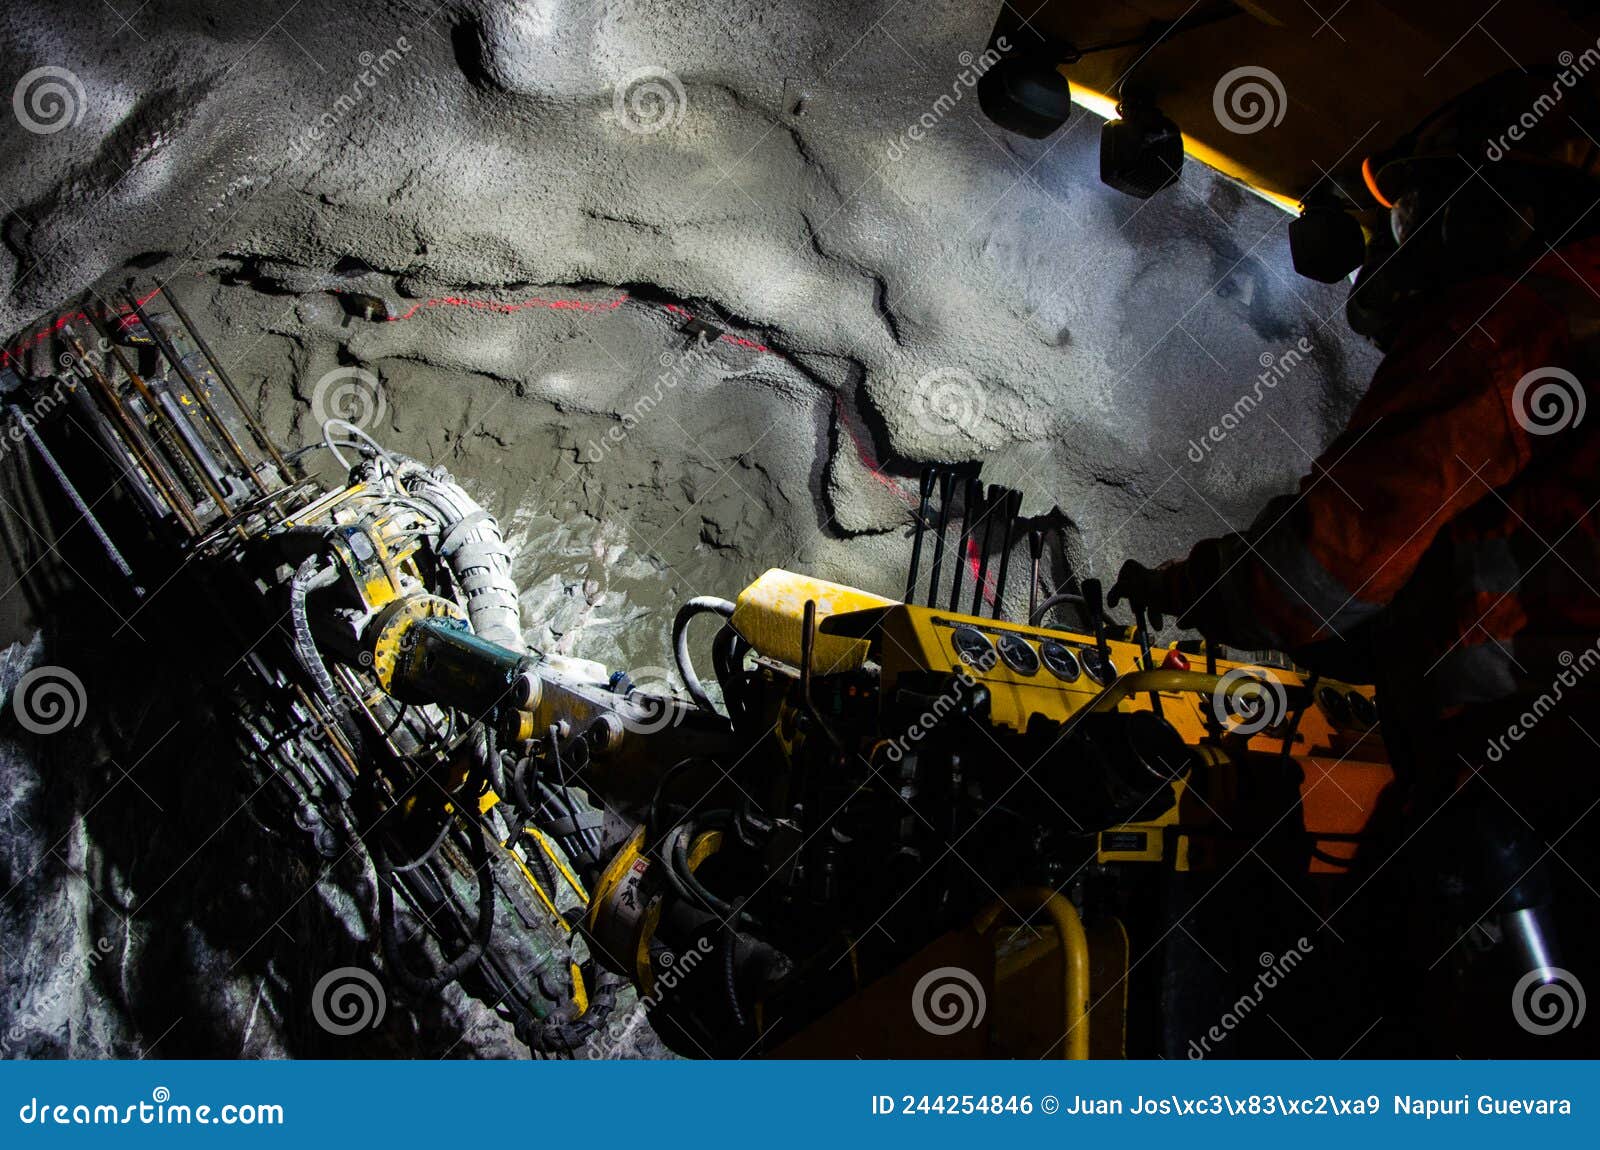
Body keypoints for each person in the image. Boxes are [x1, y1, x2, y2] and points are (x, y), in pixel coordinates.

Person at [1109, 70, 1600, 1055]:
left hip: (1540, 797)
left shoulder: (1506, 324)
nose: (1408, 232)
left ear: (1495, 202)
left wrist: (1179, 589)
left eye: (1427, 202)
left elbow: (1317, 575)